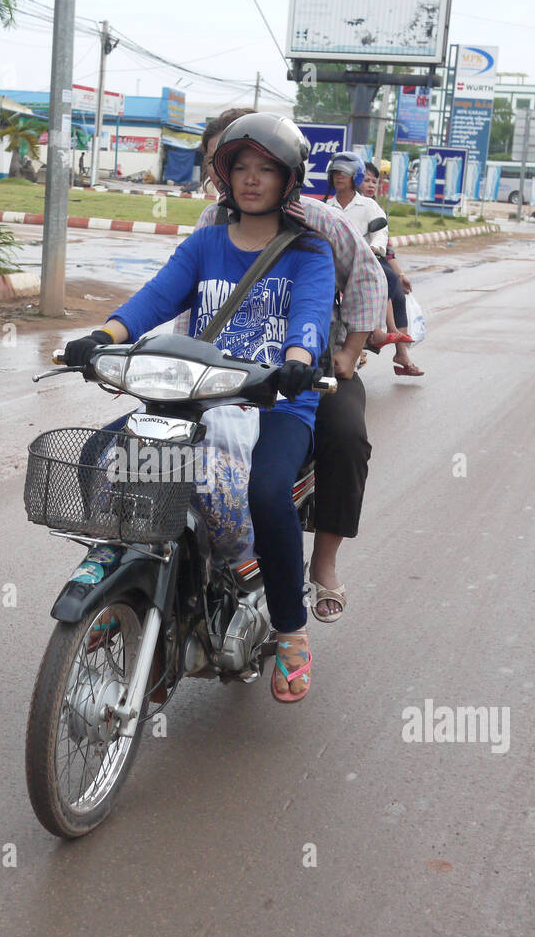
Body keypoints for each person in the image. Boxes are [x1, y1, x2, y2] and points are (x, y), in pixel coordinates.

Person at [64, 113, 336, 702]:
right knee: (106, 457)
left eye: (266, 169)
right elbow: (155, 297)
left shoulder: (308, 252)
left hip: (278, 404)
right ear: (224, 175)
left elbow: (310, 316)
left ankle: (291, 631)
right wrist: (103, 337)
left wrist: (295, 359)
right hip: (199, 396)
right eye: (241, 167)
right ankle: (138, 599)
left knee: (266, 493)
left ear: (288, 180)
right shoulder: (207, 243)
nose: (252, 179)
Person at [184, 110, 389, 626]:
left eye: (264, 165)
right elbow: (189, 299)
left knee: (343, 436)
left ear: (287, 172)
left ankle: (320, 565)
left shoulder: (322, 224)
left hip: (312, 367)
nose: (237, 175)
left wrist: (346, 353)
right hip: (225, 370)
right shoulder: (210, 223)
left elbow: (368, 278)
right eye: (225, 162)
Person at [340, 154, 423, 377]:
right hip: (344, 261)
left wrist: (402, 273)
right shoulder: (335, 204)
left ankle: (400, 351)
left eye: (373, 181)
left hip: (369, 259)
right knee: (384, 279)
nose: (370, 185)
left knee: (397, 288)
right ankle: (378, 333)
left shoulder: (371, 207)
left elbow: (386, 245)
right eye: (365, 180)